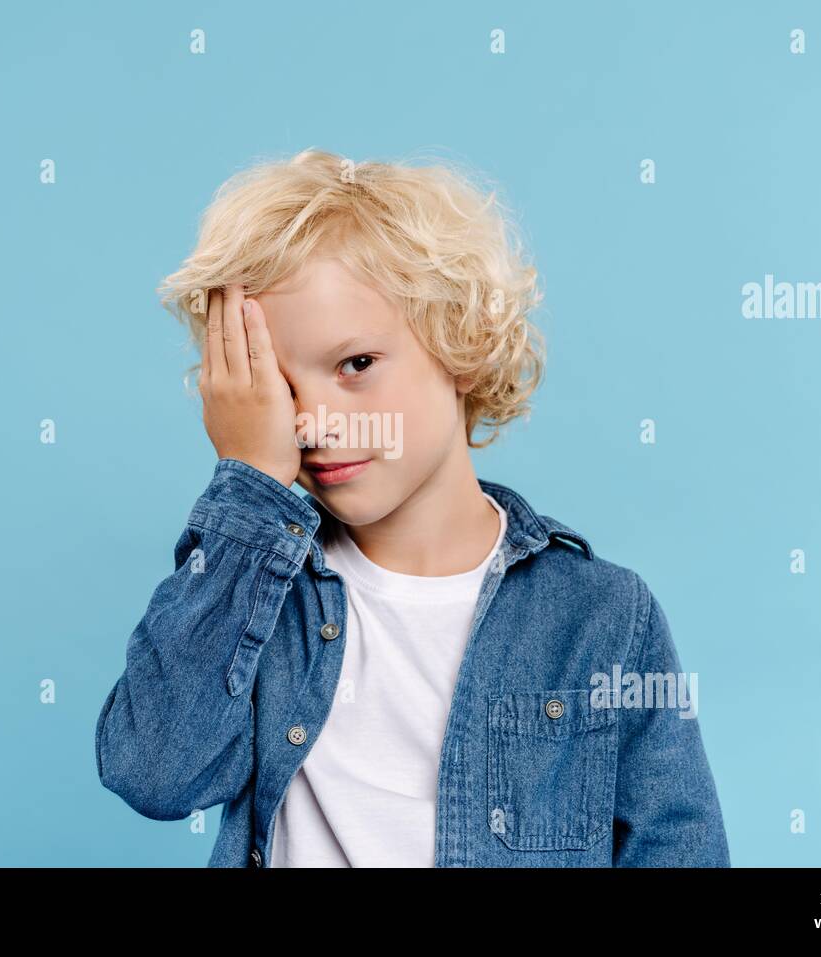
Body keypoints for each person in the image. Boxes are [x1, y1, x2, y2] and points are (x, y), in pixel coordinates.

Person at [95, 148, 730, 867]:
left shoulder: (602, 616)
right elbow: (154, 771)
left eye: (356, 365)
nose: (314, 421)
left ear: (460, 345)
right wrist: (248, 483)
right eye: (278, 387)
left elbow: (680, 849)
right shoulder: (260, 597)